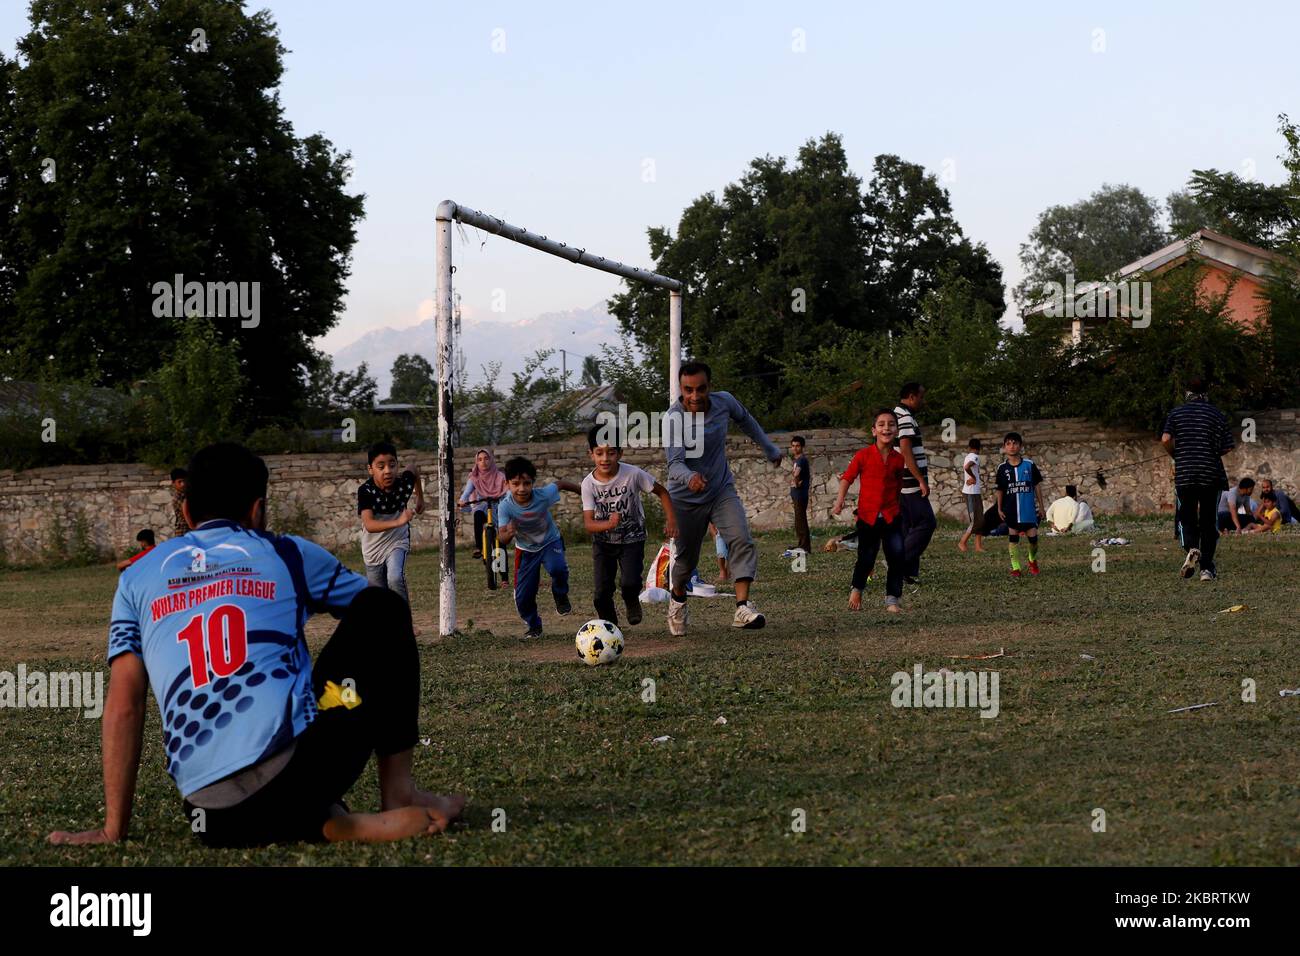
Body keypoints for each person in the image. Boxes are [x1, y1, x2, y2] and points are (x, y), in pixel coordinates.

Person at [49, 442, 463, 849]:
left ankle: (328, 821)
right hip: (305, 773)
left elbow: (124, 705)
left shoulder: (135, 579)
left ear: (187, 512)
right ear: (258, 510)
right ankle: (396, 794)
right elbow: (375, 618)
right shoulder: (286, 553)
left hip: (211, 817)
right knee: (385, 607)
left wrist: (112, 828)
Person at [663, 361, 784, 636]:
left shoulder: (724, 402)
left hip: (719, 490)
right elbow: (675, 464)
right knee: (686, 559)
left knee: (740, 538)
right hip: (685, 498)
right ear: (681, 389)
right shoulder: (673, 418)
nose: (694, 396)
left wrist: (769, 448)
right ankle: (678, 597)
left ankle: (742, 607)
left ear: (710, 387)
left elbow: (747, 421)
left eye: (701, 389)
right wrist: (690, 477)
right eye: (688, 390)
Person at [581, 425, 679, 627]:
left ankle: (631, 599)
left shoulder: (633, 474)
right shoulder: (588, 484)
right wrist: (608, 523)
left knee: (630, 583)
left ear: (620, 453)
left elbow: (662, 492)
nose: (605, 459)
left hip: (632, 539)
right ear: (591, 454)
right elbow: (589, 524)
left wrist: (671, 520)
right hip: (603, 542)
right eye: (599, 453)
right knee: (601, 593)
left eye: (611, 453)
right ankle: (609, 628)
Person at [496, 456, 582, 639]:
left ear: (533, 483)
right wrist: (509, 532)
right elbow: (501, 539)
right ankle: (534, 625)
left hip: (550, 542)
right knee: (523, 596)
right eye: (516, 483)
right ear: (507, 484)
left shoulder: (543, 495)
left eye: (526, 483)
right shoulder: (505, 507)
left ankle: (560, 594)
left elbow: (561, 484)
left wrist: (585, 492)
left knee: (558, 568)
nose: (521, 489)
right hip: (526, 551)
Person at [832, 408, 907, 613]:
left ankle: (892, 599)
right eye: (881, 424)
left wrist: (898, 506)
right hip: (868, 516)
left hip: (892, 515)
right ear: (874, 431)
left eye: (891, 424)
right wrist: (839, 502)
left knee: (897, 555)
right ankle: (857, 588)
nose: (886, 428)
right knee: (867, 556)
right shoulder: (863, 456)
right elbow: (847, 478)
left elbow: (898, 485)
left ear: (897, 431)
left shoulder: (898, 459)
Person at [1162, 379, 1234, 581]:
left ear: (1187, 393)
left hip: (1185, 474)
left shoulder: (1175, 414)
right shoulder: (1217, 414)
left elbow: (1165, 439)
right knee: (1209, 520)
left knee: (1187, 518)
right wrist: (1211, 451)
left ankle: (1192, 547)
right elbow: (1228, 446)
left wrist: (1176, 455)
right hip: (1211, 473)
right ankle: (1207, 569)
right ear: (1206, 393)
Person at [357, 441, 423, 605]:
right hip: (373, 550)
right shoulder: (366, 491)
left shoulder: (403, 484)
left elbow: (413, 469)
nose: (388, 471)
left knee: (394, 578)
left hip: (397, 541)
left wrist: (420, 497)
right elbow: (369, 525)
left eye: (392, 465)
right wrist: (398, 521)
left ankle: (405, 623)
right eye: (381, 466)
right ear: (370, 469)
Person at [894, 382, 935, 584]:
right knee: (927, 522)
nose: (922, 400)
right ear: (911, 396)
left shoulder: (899, 414)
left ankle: (906, 573)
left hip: (902, 482)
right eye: (921, 396)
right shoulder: (905, 417)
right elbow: (905, 450)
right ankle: (898, 562)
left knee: (907, 527)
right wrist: (920, 479)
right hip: (909, 483)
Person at [995, 432, 1045, 578]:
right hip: (1010, 509)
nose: (1012, 446)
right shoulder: (1002, 468)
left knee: (1033, 540)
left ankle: (1032, 560)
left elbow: (1037, 486)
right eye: (1008, 444)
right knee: (1013, 538)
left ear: (1020, 446)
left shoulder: (1029, 465)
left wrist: (1041, 507)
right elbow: (1000, 490)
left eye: (1015, 443)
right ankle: (1016, 568)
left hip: (1028, 509)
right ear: (1004, 447)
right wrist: (999, 508)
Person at [957, 437, 985, 553]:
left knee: (980, 520)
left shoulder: (968, 456)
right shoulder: (975, 456)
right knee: (975, 520)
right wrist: (973, 478)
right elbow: (967, 467)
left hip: (974, 492)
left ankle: (978, 546)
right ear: (979, 448)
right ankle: (962, 542)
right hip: (971, 492)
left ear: (969, 447)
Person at [789, 436, 812, 554]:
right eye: (793, 446)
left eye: (797, 446)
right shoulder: (796, 460)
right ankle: (801, 544)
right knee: (798, 521)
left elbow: (797, 474)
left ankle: (805, 547)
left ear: (802, 447)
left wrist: (796, 483)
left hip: (800, 494)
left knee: (801, 521)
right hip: (797, 495)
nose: (795, 448)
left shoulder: (801, 460)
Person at [169, 468, 188, 538]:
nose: (183, 484)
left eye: (184, 481)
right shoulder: (178, 498)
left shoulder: (186, 495)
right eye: (179, 482)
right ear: (173, 483)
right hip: (183, 532)